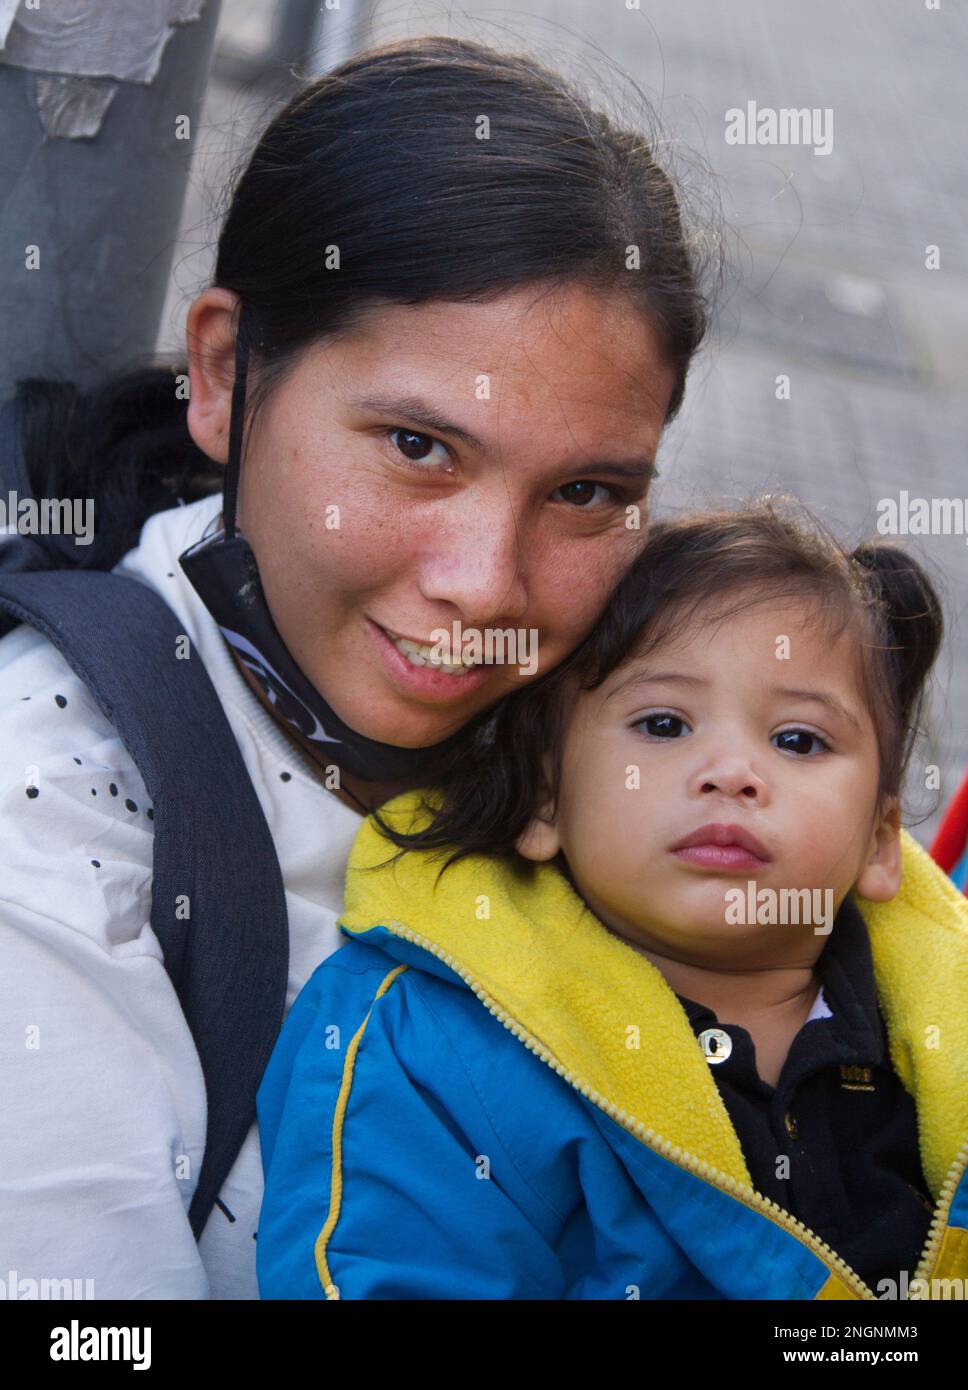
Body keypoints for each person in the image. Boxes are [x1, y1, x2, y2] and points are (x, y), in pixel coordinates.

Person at [0, 36, 713, 1299]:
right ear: (225, 374)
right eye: (418, 447)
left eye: (586, 490)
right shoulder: (47, 831)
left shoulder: (654, 732)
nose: (487, 585)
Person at [255, 498, 968, 1300]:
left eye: (798, 740)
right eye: (663, 724)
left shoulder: (938, 1035)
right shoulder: (435, 1050)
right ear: (546, 800)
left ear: (879, 841)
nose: (731, 773)